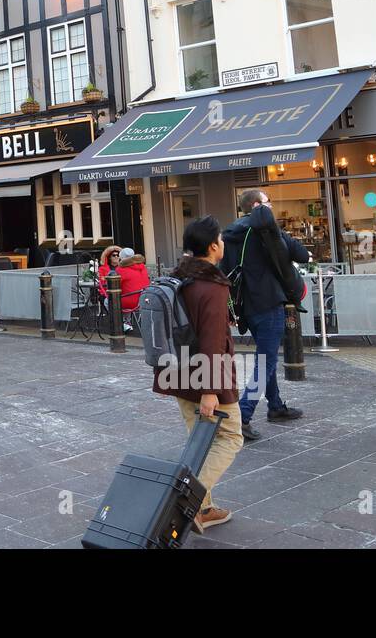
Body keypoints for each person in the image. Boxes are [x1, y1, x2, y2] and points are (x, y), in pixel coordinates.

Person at [152, 215, 243, 532]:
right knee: (231, 437)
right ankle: (187, 500)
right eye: (221, 238)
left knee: (200, 441)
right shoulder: (213, 287)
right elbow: (213, 342)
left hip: (177, 372)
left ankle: (202, 511)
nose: (223, 243)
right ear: (213, 246)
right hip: (206, 376)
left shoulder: (179, 278)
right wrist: (210, 391)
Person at [222, 189, 309, 441]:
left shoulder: (230, 233)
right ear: (258, 205)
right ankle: (243, 415)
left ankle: (276, 406)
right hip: (270, 302)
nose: (271, 206)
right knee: (266, 362)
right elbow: (301, 255)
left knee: (265, 355)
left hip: (246, 306)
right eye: (268, 202)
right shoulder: (267, 231)